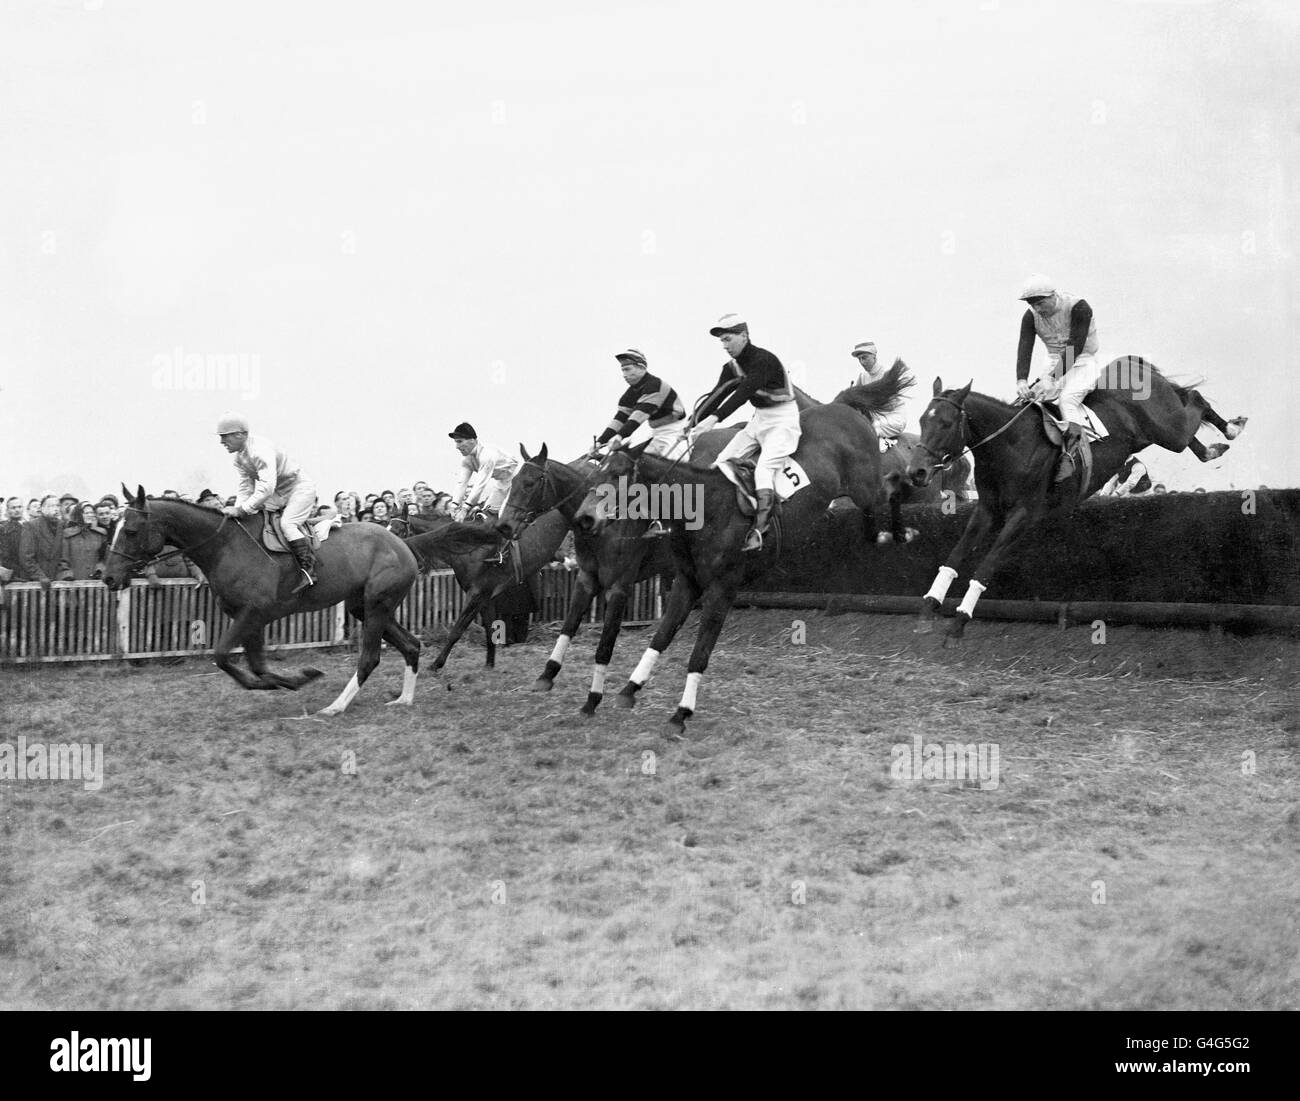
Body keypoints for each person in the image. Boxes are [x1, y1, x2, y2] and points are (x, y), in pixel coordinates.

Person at [687, 313, 801, 551]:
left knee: (764, 470)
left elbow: (743, 394)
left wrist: (714, 420)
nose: (725, 346)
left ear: (744, 336)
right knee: (719, 463)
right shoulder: (731, 367)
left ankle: (761, 529)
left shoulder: (764, 360)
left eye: (728, 339)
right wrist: (694, 420)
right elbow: (717, 394)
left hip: (783, 420)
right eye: (722, 342)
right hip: (759, 420)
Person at [216, 413, 319, 592]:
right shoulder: (239, 458)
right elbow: (245, 487)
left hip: (298, 489)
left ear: (239, 434)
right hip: (278, 494)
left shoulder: (259, 451)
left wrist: (242, 510)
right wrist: (238, 509)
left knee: (288, 524)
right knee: (254, 519)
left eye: (225, 437)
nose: (222, 442)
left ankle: (309, 571)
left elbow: (266, 487)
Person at [1014, 273, 1101, 482]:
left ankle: (1073, 457)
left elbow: (1075, 347)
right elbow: (1025, 347)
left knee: (1067, 400)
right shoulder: (1030, 316)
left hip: (1083, 360)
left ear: (1053, 295)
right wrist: (1022, 380)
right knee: (1028, 402)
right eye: (1032, 304)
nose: (1037, 309)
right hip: (1054, 361)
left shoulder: (1079, 307)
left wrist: (1052, 377)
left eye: (1041, 303)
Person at [593, 348, 689, 536]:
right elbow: (620, 418)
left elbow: (637, 418)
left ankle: (666, 522)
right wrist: (601, 442)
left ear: (641, 367)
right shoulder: (630, 394)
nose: (624, 375)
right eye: (623, 370)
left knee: (670, 470)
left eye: (628, 369)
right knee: (638, 467)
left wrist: (619, 438)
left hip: (675, 432)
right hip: (657, 432)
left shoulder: (656, 385)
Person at [448, 422, 519, 525]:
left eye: (459, 442)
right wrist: (454, 505)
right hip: (501, 483)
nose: (457, 446)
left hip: (518, 481)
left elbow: (480, 485)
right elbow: (462, 483)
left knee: (504, 516)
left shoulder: (487, 455)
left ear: (472, 441)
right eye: (455, 442)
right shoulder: (466, 460)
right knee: (487, 516)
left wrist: (464, 509)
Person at [850, 341, 908, 448]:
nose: (862, 362)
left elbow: (891, 404)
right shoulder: (862, 376)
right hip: (876, 420)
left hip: (894, 418)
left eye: (865, 357)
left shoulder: (887, 373)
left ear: (874, 356)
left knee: (870, 430)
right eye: (859, 359)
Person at [18, 494, 71, 584]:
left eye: (57, 505)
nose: (56, 509)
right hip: (38, 583)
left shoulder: (63, 526)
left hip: (58, 580)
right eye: (51, 506)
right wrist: (40, 577)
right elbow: (26, 557)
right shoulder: (31, 526)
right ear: (42, 509)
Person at [62, 502, 108, 581]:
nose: (90, 515)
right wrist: (68, 575)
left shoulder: (100, 534)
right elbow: (63, 560)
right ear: (78, 515)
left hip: (96, 582)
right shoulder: (68, 535)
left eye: (91, 512)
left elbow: (105, 557)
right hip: (74, 582)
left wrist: (100, 570)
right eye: (86, 513)